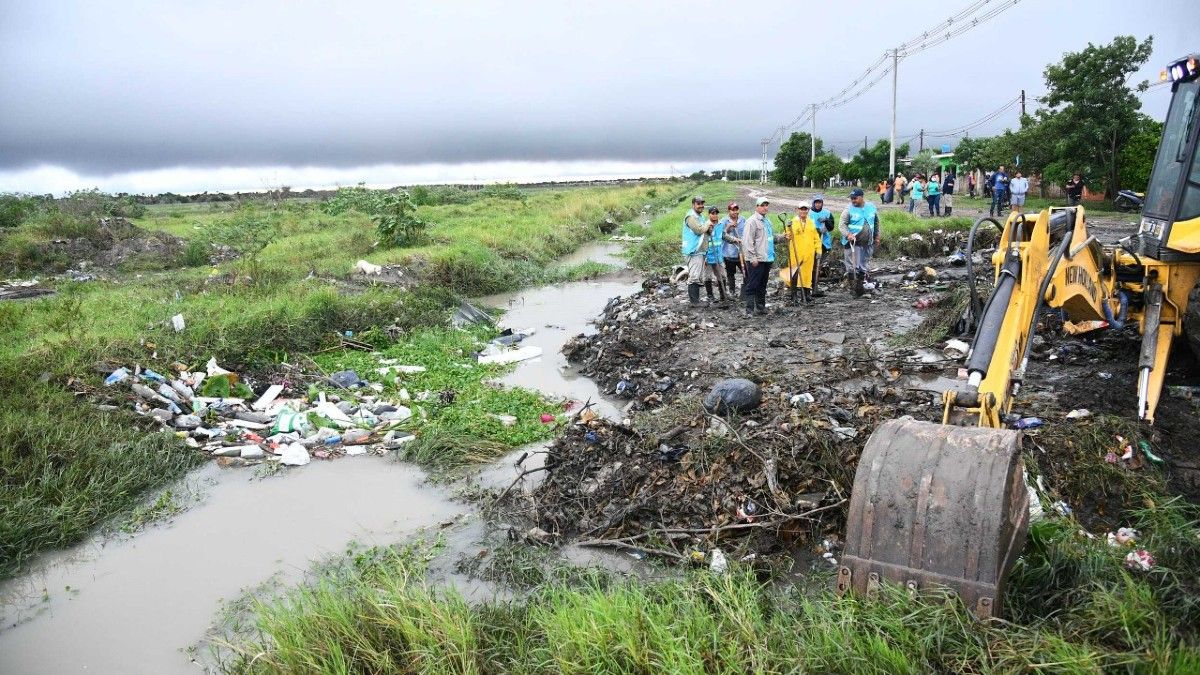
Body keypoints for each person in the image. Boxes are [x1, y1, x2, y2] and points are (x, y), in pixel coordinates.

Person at [740, 197, 779, 316]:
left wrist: (783, 237)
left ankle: (761, 307)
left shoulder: (767, 221)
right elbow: (747, 241)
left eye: (766, 205)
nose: (765, 207)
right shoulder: (751, 221)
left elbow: (770, 239)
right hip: (757, 259)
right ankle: (749, 310)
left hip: (767, 258)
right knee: (753, 284)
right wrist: (752, 258)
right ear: (757, 207)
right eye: (762, 205)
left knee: (763, 284)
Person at [839, 188, 879, 297]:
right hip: (853, 243)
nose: (853, 200)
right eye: (851, 199)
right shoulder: (848, 209)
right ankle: (853, 289)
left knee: (863, 265)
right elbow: (842, 225)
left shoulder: (871, 207)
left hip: (867, 242)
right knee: (852, 266)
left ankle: (860, 287)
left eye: (855, 198)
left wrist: (877, 236)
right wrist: (848, 235)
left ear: (861, 197)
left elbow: (876, 222)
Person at [782, 202, 823, 304]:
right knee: (794, 275)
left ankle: (807, 294)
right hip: (796, 253)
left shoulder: (811, 222)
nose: (803, 211)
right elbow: (787, 235)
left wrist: (818, 250)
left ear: (808, 210)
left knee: (807, 275)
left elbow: (816, 238)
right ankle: (794, 296)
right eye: (801, 209)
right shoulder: (792, 222)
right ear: (798, 210)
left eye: (805, 209)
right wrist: (787, 233)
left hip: (809, 253)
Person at [680, 195, 709, 305]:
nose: (701, 205)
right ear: (693, 205)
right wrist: (708, 223)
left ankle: (695, 300)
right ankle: (694, 302)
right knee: (694, 276)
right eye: (698, 203)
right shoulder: (691, 217)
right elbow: (698, 230)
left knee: (697, 275)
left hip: (699, 250)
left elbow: (704, 231)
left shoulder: (699, 216)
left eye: (702, 203)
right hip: (693, 251)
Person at [809, 194, 835, 297]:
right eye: (816, 202)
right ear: (813, 203)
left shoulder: (827, 213)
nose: (818, 204)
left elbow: (831, 227)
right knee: (812, 265)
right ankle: (810, 286)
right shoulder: (808, 213)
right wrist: (817, 230)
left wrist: (826, 221)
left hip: (823, 243)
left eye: (820, 202)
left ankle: (815, 286)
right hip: (811, 243)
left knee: (818, 265)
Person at [702, 206, 730, 303]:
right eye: (712, 213)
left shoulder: (720, 225)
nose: (714, 215)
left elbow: (724, 236)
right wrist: (704, 256)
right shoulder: (705, 226)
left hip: (718, 256)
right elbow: (703, 242)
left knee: (722, 276)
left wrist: (735, 240)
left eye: (716, 213)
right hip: (708, 256)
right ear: (709, 214)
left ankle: (723, 295)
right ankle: (710, 296)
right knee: (707, 277)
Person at [718, 202, 745, 297]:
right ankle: (732, 291)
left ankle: (746, 289)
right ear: (729, 211)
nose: (735, 212)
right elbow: (720, 234)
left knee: (746, 272)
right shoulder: (724, 221)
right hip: (728, 253)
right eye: (733, 210)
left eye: (736, 210)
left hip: (741, 252)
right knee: (730, 274)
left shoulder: (743, 220)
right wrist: (729, 226)